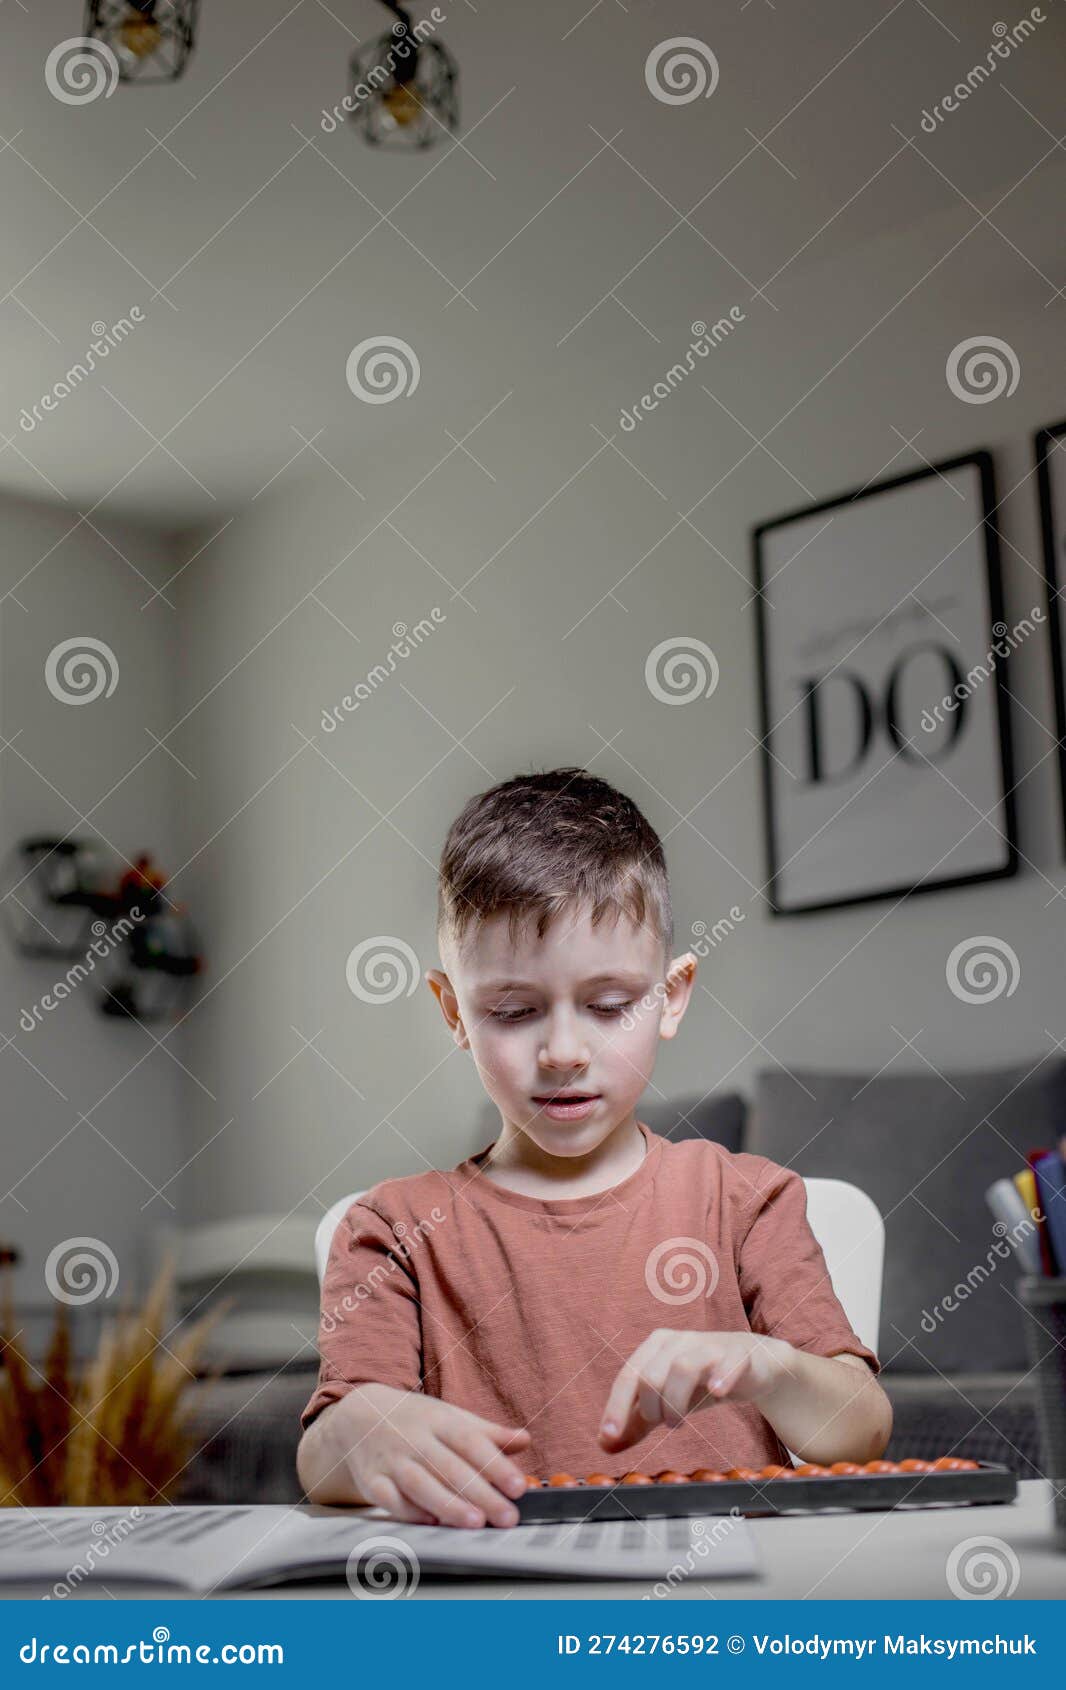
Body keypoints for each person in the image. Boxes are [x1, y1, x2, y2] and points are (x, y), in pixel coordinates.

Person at [296, 768, 892, 1528]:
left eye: (609, 1006)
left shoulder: (748, 1201)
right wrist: (362, 1431)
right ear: (453, 1011)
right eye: (512, 1011)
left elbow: (861, 1430)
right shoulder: (392, 1229)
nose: (564, 1051)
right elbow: (323, 1455)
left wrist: (768, 1365)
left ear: (670, 997)